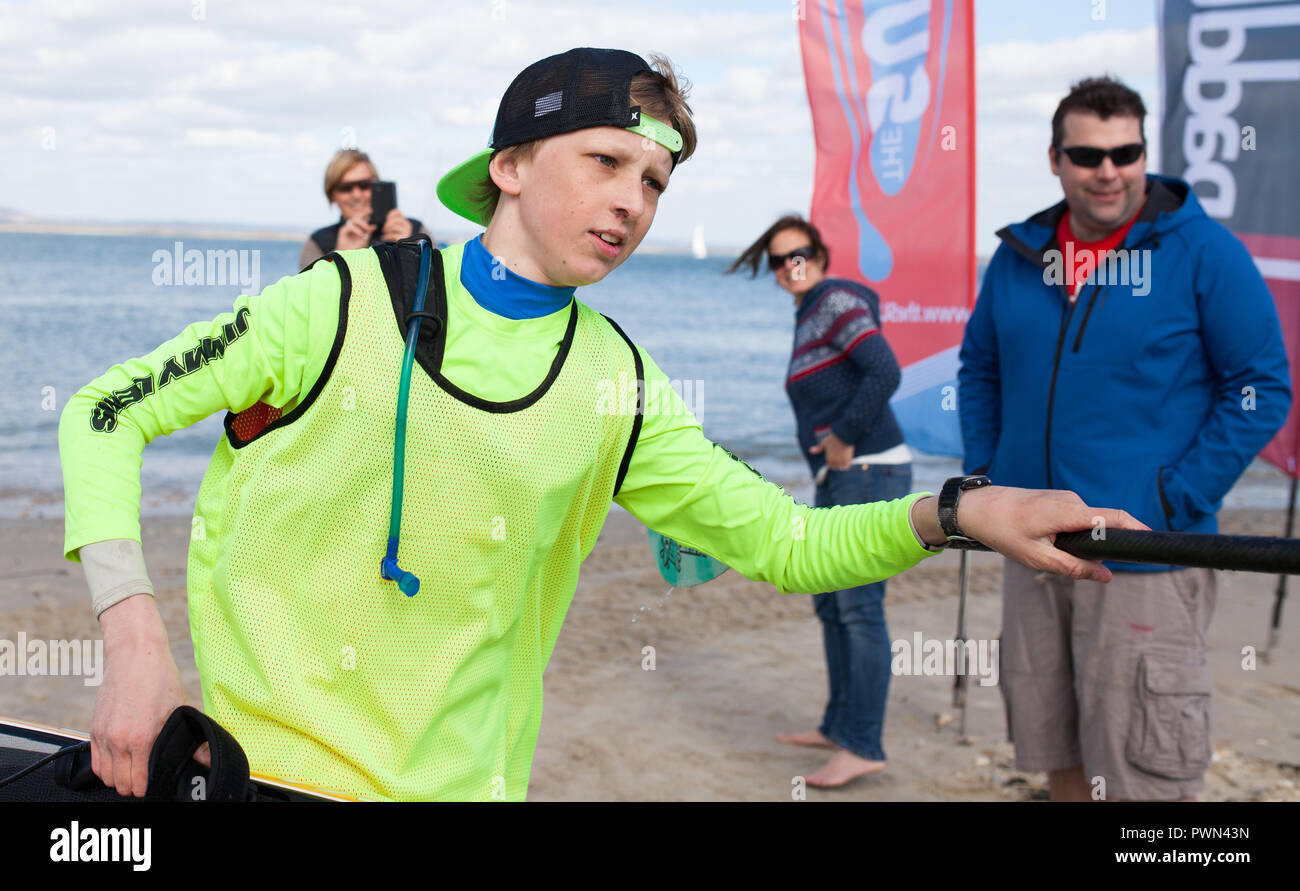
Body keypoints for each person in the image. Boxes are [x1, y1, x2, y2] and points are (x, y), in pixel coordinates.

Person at [60, 49, 1144, 802]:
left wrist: (960, 509)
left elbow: (784, 542)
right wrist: (135, 642)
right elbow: (104, 416)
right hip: (262, 777)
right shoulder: (340, 300)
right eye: (605, 162)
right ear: (512, 165)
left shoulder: (615, 381)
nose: (632, 201)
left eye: (656, 182)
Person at [958, 76, 1290, 802]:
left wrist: (1173, 498)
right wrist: (987, 476)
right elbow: (979, 367)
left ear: (1143, 153)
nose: (1108, 169)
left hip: (1146, 554)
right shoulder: (1018, 255)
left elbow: (1262, 388)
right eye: (1086, 154)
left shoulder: (1204, 252)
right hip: (1036, 549)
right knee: (1056, 750)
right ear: (1056, 159)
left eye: (1125, 151)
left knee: (1142, 771)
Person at [728, 215, 911, 787]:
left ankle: (863, 744)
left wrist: (843, 437)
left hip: (867, 469)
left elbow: (884, 369)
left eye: (799, 253)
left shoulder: (832, 298)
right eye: (780, 260)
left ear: (821, 255)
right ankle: (839, 724)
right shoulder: (811, 310)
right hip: (844, 476)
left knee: (859, 608)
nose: (790, 266)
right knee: (833, 604)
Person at [298, 148, 430, 270]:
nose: (357, 195)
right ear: (331, 195)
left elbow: (438, 287)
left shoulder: (416, 231)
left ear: (377, 187)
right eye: (346, 188)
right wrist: (339, 258)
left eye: (364, 185)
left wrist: (412, 251)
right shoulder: (317, 243)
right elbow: (313, 293)